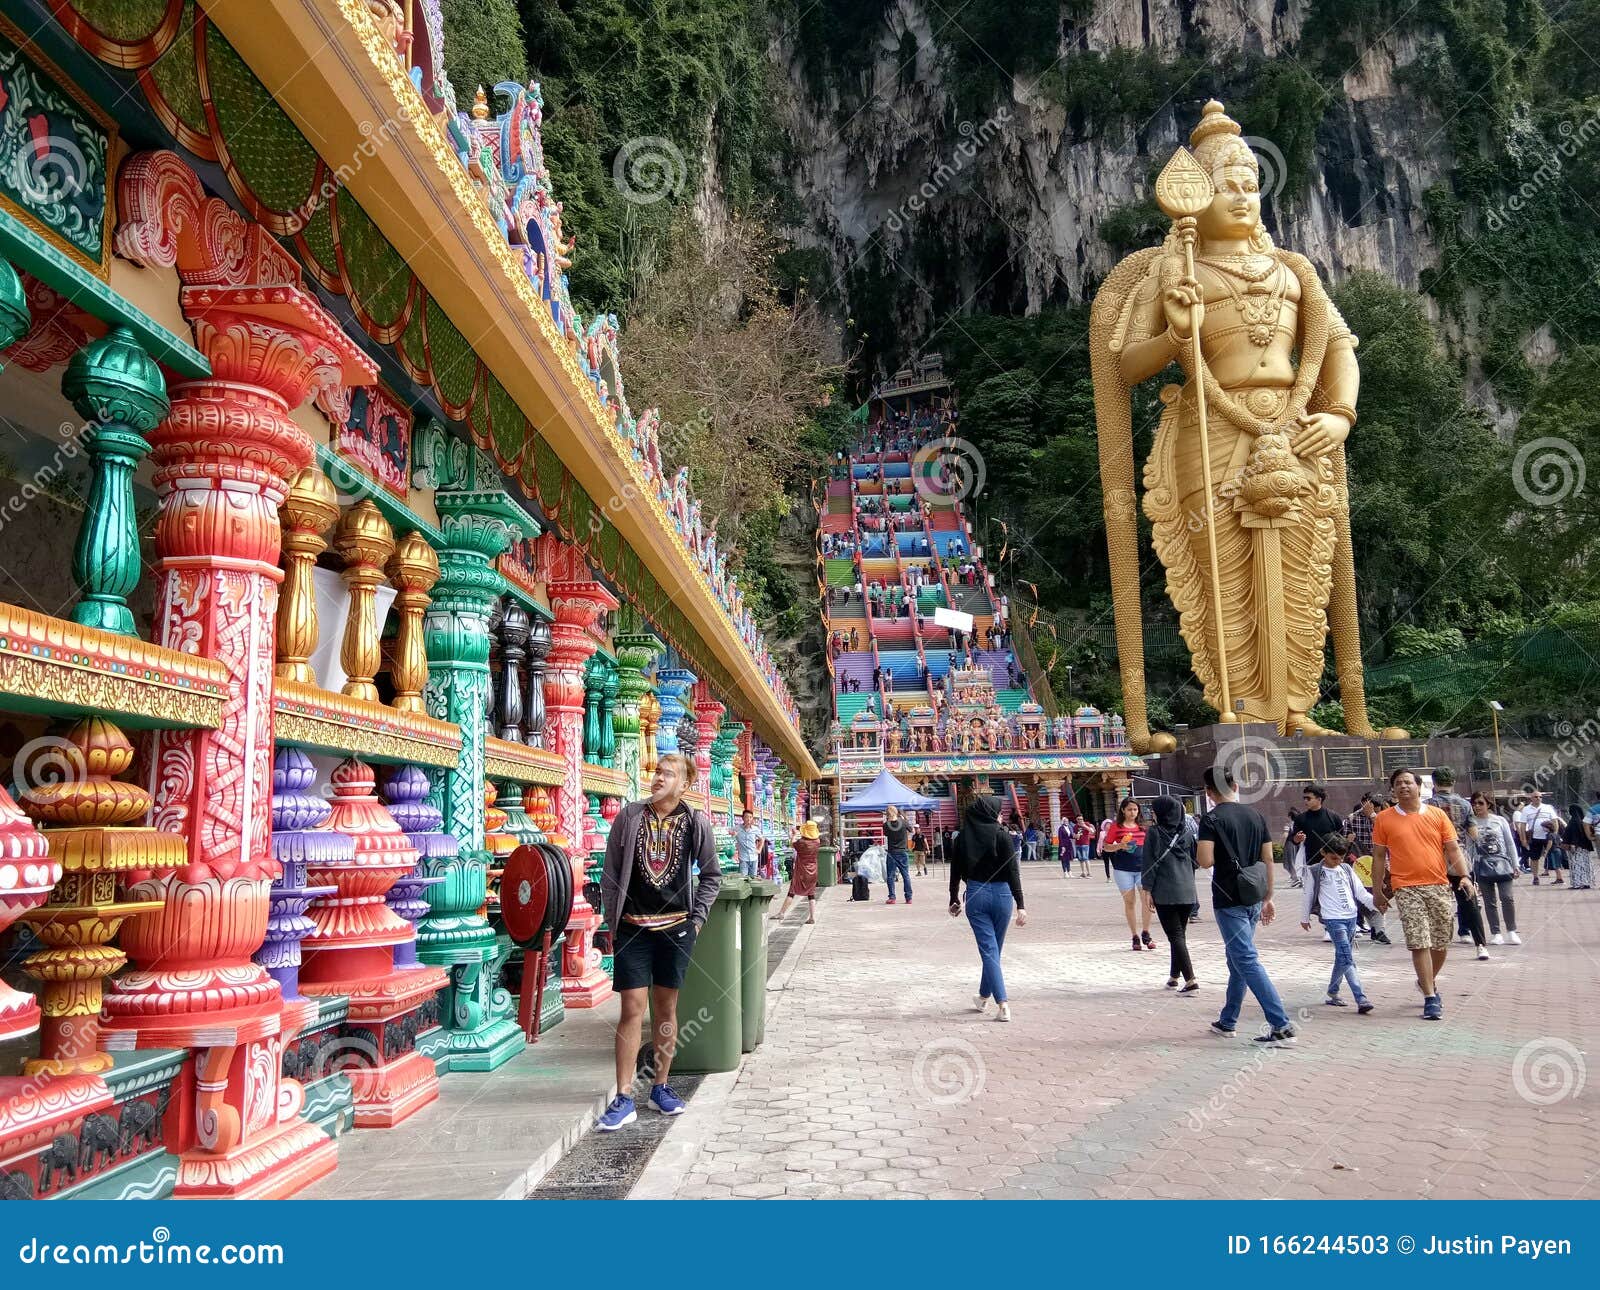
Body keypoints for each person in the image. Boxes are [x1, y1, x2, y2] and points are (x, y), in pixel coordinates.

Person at [595, 752, 720, 1131]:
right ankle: (623, 1096)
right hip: (633, 928)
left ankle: (661, 1088)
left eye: (667, 774)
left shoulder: (695, 822)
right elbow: (610, 873)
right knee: (632, 1008)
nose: (658, 778)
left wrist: (696, 922)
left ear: (684, 784)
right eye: (656, 772)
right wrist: (612, 921)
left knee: (666, 1010)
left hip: (676, 930)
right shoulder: (630, 817)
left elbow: (712, 875)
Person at [1196, 764, 1296, 1045]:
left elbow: (1205, 861)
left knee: (1246, 959)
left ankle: (1281, 1024)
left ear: (1209, 792)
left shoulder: (1211, 819)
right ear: (1236, 786)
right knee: (1238, 959)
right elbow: (1267, 860)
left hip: (1228, 898)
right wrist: (1269, 897)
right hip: (1254, 894)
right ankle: (1228, 1020)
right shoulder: (1256, 815)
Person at [1371, 768, 1475, 1022]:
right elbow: (1378, 856)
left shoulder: (1437, 815)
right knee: (1419, 941)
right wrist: (1377, 891)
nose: (1404, 787)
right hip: (1405, 887)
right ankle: (1430, 997)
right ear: (1392, 789)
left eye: (1408, 782)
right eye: (1398, 783)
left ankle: (1425, 980)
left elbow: (1452, 848)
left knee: (1441, 942)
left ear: (1419, 786)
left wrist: (1464, 876)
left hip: (1438, 885)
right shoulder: (1384, 818)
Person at [948, 795, 1026, 1022]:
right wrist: (1021, 904)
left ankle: (996, 1001)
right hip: (1003, 896)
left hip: (976, 894)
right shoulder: (1002, 835)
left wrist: (954, 899)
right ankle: (988, 998)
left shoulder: (962, 838)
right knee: (993, 951)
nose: (1001, 814)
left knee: (990, 951)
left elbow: (955, 873)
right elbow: (1013, 871)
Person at [1300, 834, 1377, 1013]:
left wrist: (1377, 903)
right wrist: (1305, 917)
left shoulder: (1347, 869)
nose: (1338, 861)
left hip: (1351, 918)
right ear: (1323, 853)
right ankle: (1361, 997)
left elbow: (1361, 893)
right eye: (1333, 857)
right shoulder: (1314, 871)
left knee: (1342, 957)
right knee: (1347, 957)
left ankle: (1333, 991)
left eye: (1341, 857)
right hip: (1333, 920)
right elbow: (1308, 895)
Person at [1141, 796, 1200, 993]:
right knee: (1179, 935)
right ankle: (1175, 976)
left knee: (1175, 935)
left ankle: (1191, 981)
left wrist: (1147, 890)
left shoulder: (1154, 833)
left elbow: (1150, 863)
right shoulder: (1188, 832)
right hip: (1187, 890)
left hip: (1166, 890)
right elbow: (1195, 862)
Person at [1427, 767, 1488, 959]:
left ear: (1434, 783)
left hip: (1434, 857)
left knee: (1433, 902)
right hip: (1459, 855)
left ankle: (1436, 944)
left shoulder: (1428, 805)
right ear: (1453, 782)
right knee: (1469, 901)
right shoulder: (1465, 804)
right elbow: (1474, 835)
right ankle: (1481, 945)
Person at [1469, 791, 1521, 944]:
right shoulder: (1471, 822)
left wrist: (1515, 864)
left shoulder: (1499, 821)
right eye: (1474, 803)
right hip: (1482, 864)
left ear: (1488, 804)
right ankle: (1496, 932)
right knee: (1489, 900)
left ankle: (1511, 930)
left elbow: (1510, 842)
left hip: (1502, 862)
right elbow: (1470, 847)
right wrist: (1470, 870)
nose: (1477, 806)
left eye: (1480, 803)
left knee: (1507, 897)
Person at [1104, 797, 1154, 951]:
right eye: (1129, 809)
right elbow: (1106, 847)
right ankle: (1134, 936)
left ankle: (1146, 932)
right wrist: (1120, 845)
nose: (1133, 812)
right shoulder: (1115, 827)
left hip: (1143, 868)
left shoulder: (1144, 827)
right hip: (1122, 869)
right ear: (1123, 811)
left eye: (1135, 809)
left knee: (1147, 900)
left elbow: (1151, 846)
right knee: (1130, 902)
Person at [772, 821, 820, 924]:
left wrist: (793, 835)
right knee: (811, 894)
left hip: (801, 871)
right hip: (813, 871)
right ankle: (812, 917)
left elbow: (792, 844)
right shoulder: (817, 841)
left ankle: (781, 913)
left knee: (792, 891)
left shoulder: (802, 842)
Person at [1518, 790, 1560, 884]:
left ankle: (1559, 877)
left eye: (1540, 797)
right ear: (1531, 798)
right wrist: (1523, 839)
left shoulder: (1548, 808)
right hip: (1535, 838)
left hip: (1548, 837)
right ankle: (1535, 877)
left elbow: (1555, 821)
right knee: (1534, 858)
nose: (1538, 798)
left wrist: (1555, 835)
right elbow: (1523, 825)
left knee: (1554, 855)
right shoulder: (1526, 809)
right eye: (1536, 797)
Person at [882, 804, 913, 905]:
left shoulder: (886, 825)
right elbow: (911, 830)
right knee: (905, 875)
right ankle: (908, 898)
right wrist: (904, 819)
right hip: (902, 852)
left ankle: (892, 897)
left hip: (891, 853)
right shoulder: (903, 822)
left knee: (890, 876)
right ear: (896, 812)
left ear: (887, 814)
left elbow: (886, 834)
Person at [733, 809, 761, 879]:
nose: (749, 819)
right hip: (743, 859)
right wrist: (733, 834)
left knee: (753, 879)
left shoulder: (755, 829)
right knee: (743, 879)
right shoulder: (737, 828)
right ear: (743, 818)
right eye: (746, 817)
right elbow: (728, 831)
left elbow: (762, 839)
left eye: (750, 817)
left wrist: (759, 849)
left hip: (754, 858)